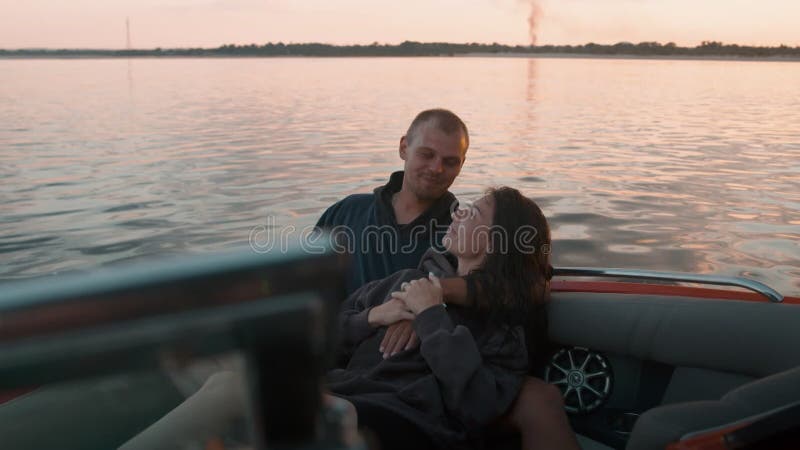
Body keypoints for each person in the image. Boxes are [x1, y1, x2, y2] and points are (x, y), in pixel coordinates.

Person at [315, 108, 469, 296]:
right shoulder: (346, 213)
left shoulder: (464, 235)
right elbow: (307, 287)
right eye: (427, 154)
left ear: (461, 164)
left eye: (450, 162)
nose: (437, 168)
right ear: (404, 148)